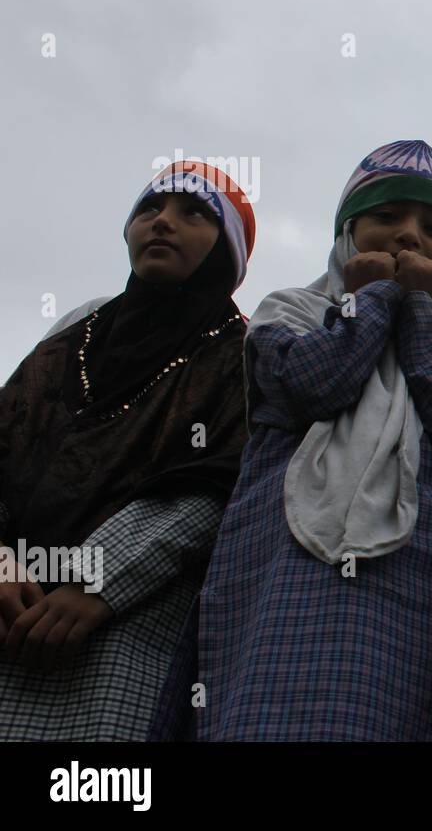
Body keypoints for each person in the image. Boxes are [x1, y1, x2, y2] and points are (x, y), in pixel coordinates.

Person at [194, 140, 432, 741]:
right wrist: (373, 297)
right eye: (386, 217)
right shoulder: (291, 313)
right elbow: (316, 384)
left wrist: (423, 316)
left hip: (414, 589)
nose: (408, 236)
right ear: (347, 232)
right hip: (278, 576)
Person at [0, 160, 255, 741]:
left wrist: (97, 585)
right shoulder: (69, 339)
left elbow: (215, 484)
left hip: (126, 630)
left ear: (228, 251)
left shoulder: (240, 353)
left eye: (194, 213)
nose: (164, 222)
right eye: (151, 208)